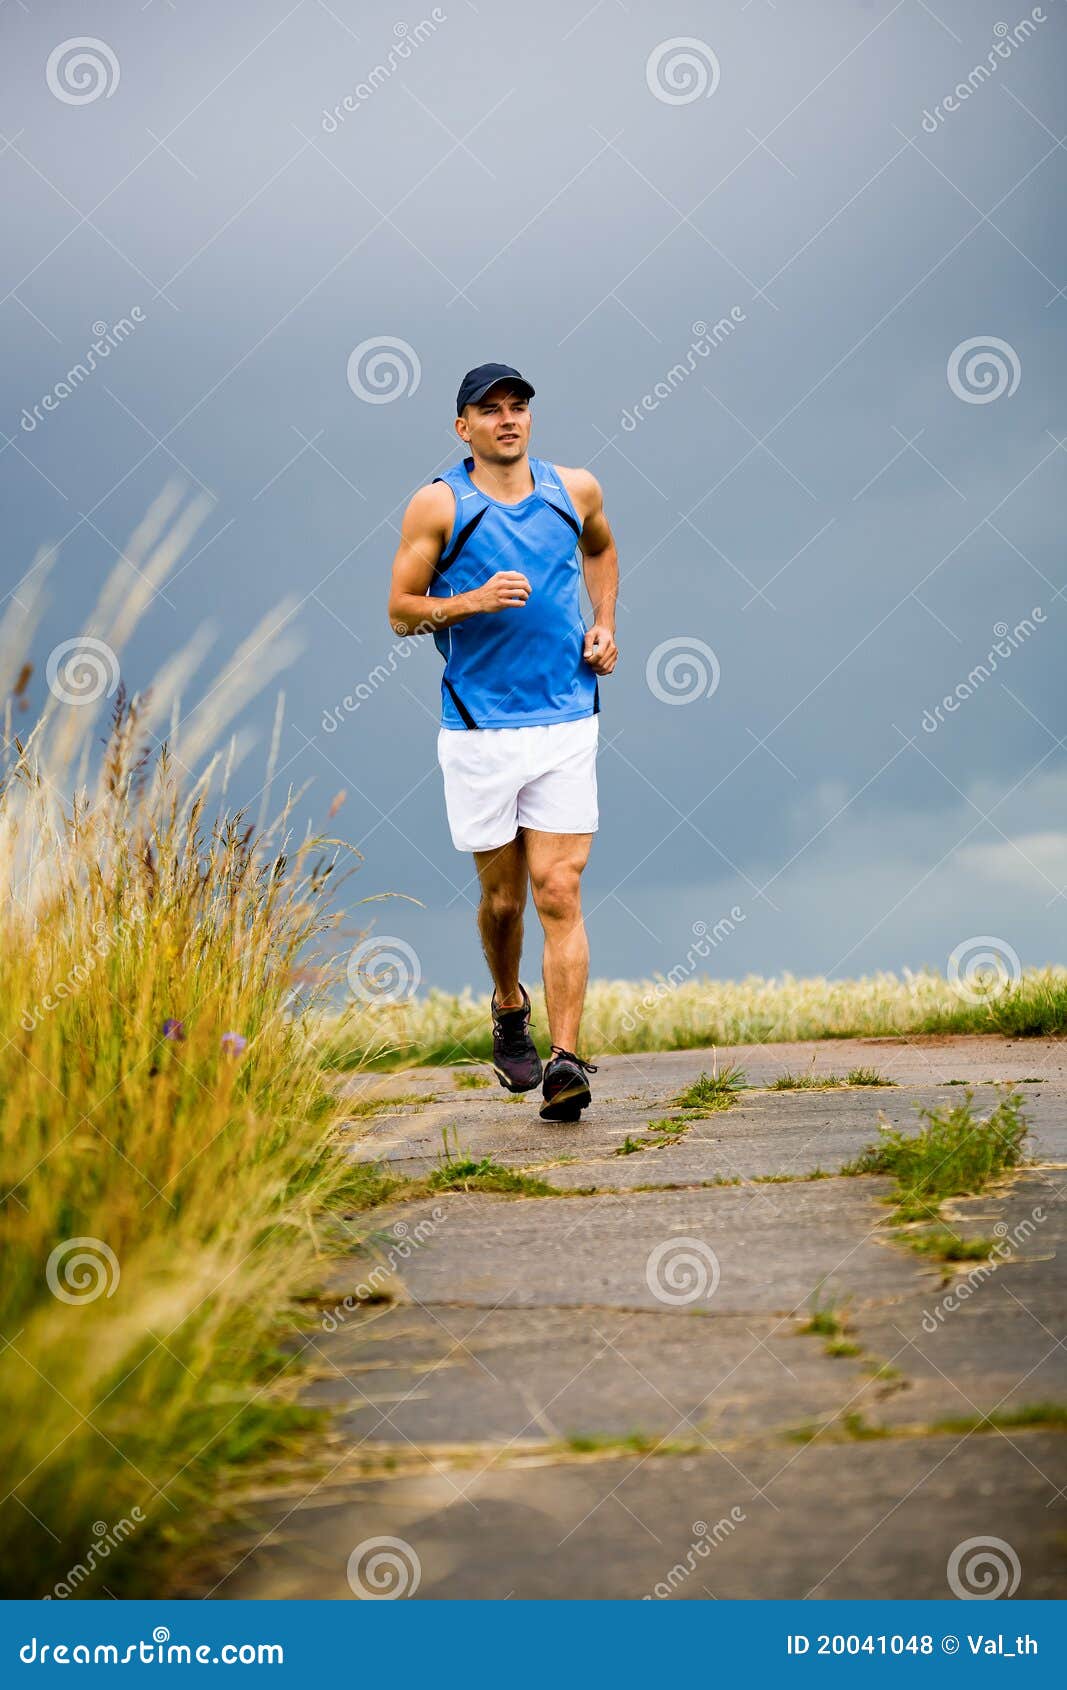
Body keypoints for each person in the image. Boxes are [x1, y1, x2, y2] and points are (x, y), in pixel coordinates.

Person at [387, 363, 619, 1121]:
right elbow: (399, 612)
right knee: (503, 901)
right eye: (489, 411)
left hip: (565, 718)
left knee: (558, 888)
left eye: (518, 407)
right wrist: (471, 602)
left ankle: (563, 1063)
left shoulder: (573, 489)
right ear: (464, 428)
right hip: (479, 728)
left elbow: (600, 549)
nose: (507, 420)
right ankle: (507, 1004)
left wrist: (604, 622)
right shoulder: (439, 504)